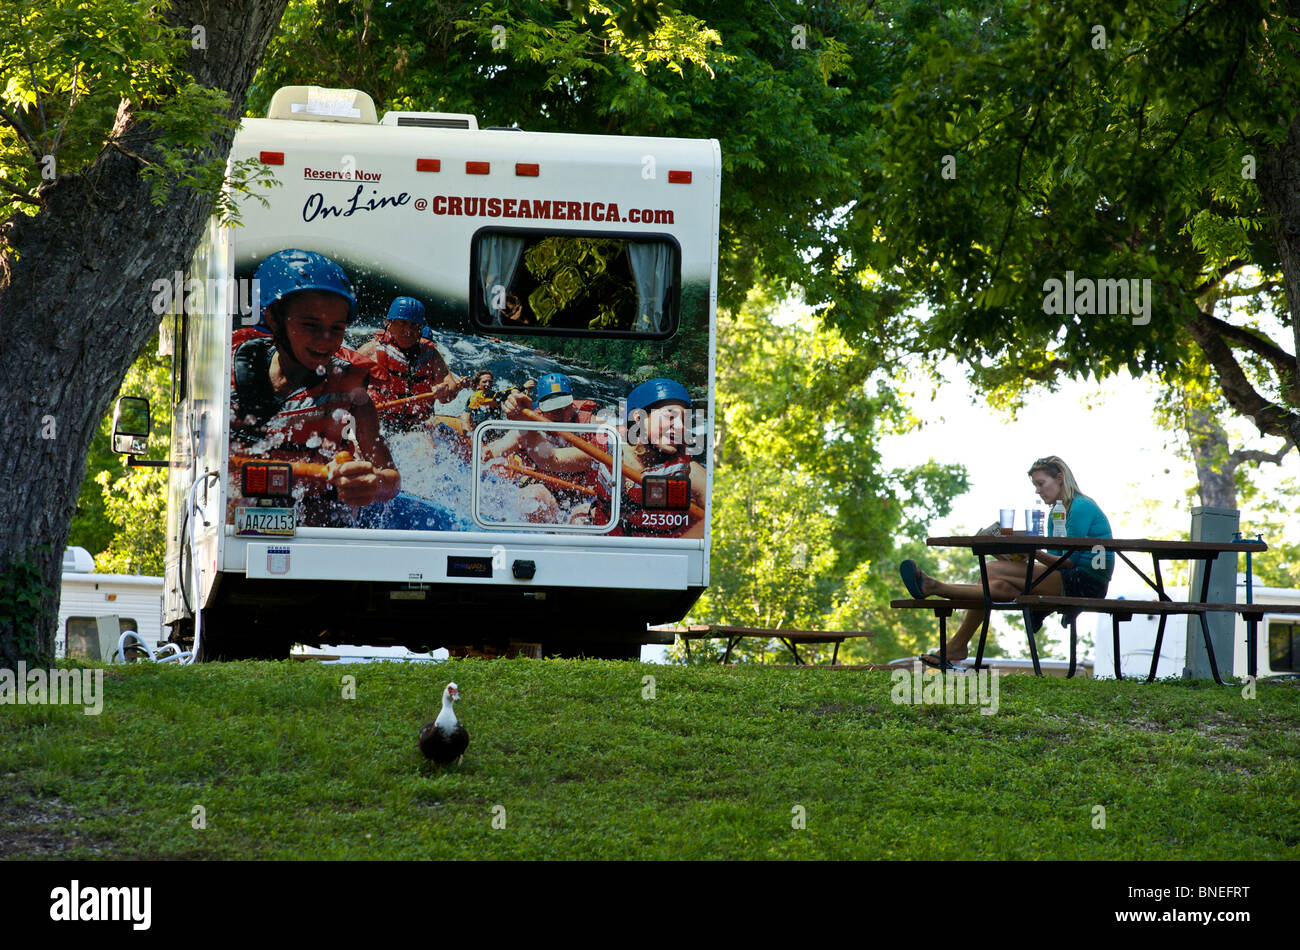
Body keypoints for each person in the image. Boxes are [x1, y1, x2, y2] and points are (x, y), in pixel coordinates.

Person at [230, 248, 400, 526]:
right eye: (310, 324)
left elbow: (391, 480)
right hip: (241, 531)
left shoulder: (353, 392)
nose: (325, 340)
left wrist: (373, 482)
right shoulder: (227, 377)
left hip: (321, 528)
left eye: (337, 328)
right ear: (273, 318)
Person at [899, 455, 1114, 668]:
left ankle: (939, 594)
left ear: (1059, 478)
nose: (1038, 490)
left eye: (1041, 483)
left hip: (1086, 582)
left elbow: (1069, 562)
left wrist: (1031, 552)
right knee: (998, 586)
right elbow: (1055, 561)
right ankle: (954, 638)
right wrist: (1017, 556)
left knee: (991, 570)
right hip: (1067, 577)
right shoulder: (1055, 514)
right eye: (1036, 486)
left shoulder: (1080, 507)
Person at [483, 372, 612, 524]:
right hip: (546, 489)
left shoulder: (594, 427)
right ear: (542, 410)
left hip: (583, 496)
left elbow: (552, 459)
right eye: (553, 409)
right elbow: (500, 447)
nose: (560, 414)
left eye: (564, 407)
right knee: (532, 500)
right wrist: (488, 452)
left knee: (583, 519)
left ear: (572, 403)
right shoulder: (531, 425)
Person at [358, 296, 467, 430]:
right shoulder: (371, 351)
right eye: (402, 323)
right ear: (389, 323)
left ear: (420, 329)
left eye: (414, 325)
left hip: (415, 426)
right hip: (377, 422)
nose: (408, 330)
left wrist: (446, 389)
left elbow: (448, 384)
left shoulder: (431, 354)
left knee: (426, 448)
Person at [617, 378, 706, 539]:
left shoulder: (692, 474)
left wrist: (679, 547)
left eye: (684, 420)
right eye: (670, 417)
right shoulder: (607, 453)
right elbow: (555, 460)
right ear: (639, 419)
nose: (680, 426)